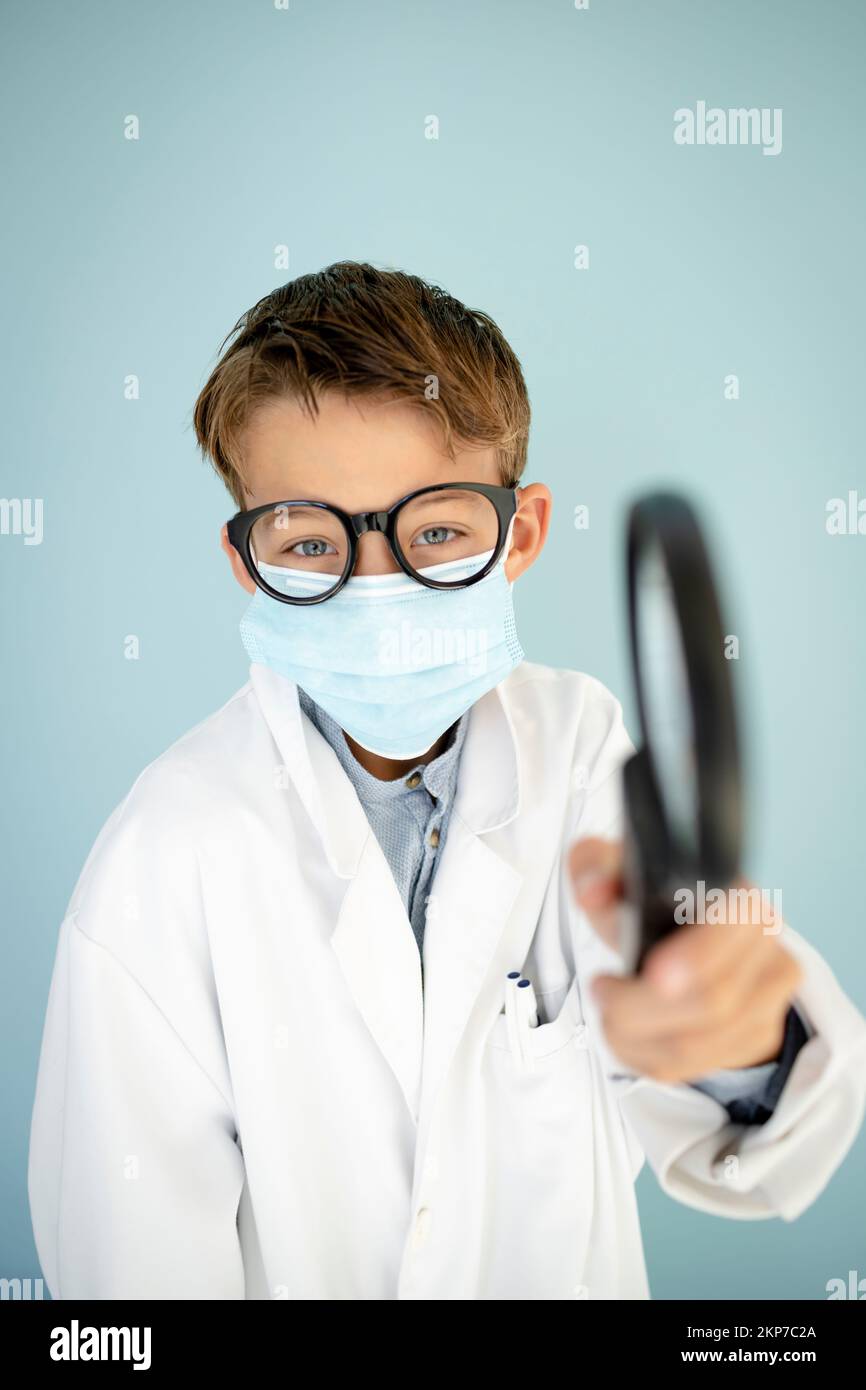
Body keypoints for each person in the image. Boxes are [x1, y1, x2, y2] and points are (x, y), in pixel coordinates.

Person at [28, 262, 866, 1300]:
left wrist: (733, 1043)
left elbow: (743, 1091)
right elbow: (130, 1278)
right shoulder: (168, 851)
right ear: (247, 560)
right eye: (309, 541)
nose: (375, 589)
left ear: (519, 532)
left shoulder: (581, 759)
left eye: (434, 530)